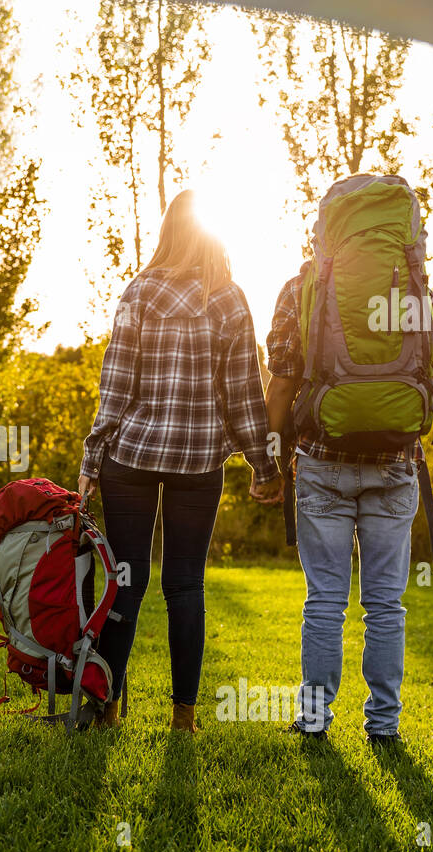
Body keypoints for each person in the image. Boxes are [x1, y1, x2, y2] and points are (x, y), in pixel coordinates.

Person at [78, 190, 281, 734]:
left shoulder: (139, 292)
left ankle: (108, 709)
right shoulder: (230, 299)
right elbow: (244, 396)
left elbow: (114, 386)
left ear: (168, 231)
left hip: (133, 454)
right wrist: (265, 465)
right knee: (186, 584)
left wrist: (92, 457)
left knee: (125, 579)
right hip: (198, 461)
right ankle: (183, 717)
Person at [264, 259, 433, 747]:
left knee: (324, 600)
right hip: (395, 461)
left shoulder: (301, 285)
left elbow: (282, 381)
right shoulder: (413, 287)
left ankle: (315, 719)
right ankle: (384, 725)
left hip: (322, 459)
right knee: (385, 603)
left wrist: (272, 462)